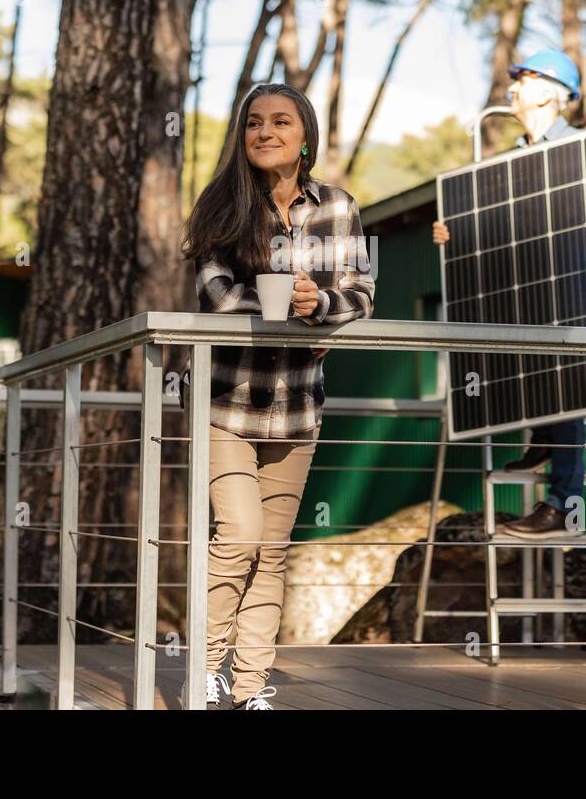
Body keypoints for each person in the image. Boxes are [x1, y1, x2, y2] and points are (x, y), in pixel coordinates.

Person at [180, 82, 375, 710]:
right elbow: (217, 294)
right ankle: (202, 669)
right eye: (254, 123)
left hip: (296, 408)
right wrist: (293, 322)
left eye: (280, 122)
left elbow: (361, 296)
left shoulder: (339, 209)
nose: (265, 132)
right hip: (224, 403)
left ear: (305, 135)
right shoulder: (221, 209)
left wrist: (319, 306)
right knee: (238, 534)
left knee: (271, 550)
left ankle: (252, 685)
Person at [432, 49, 586, 540]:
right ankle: (541, 434)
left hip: (575, 299)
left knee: (568, 386)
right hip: (531, 301)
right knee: (526, 364)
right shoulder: (514, 161)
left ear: (549, 92)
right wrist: (457, 235)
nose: (513, 89)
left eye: (523, 80)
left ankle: (565, 505)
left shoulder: (582, 155)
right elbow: (508, 232)